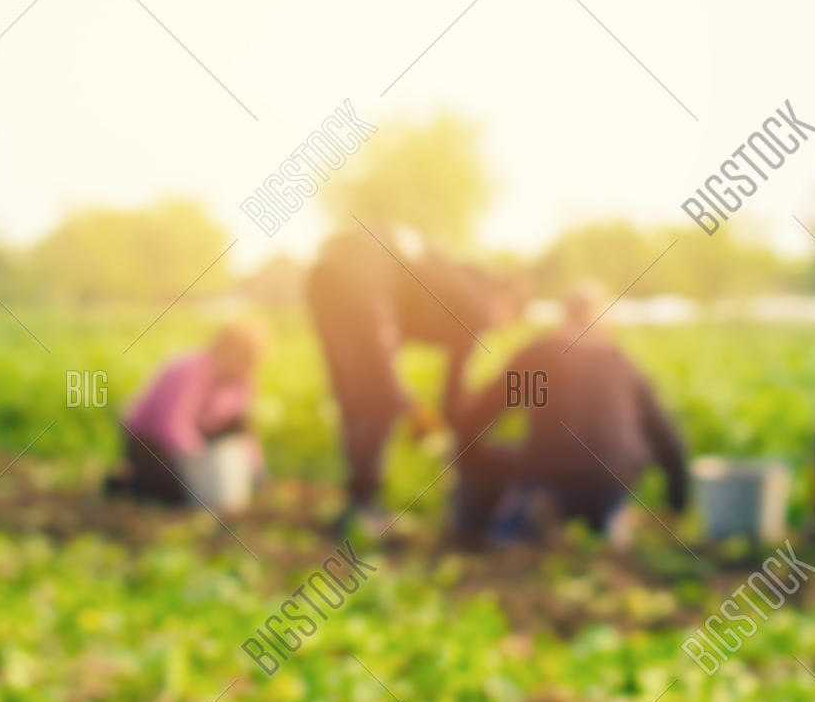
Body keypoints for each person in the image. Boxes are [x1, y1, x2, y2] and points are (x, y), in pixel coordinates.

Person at [306, 225, 522, 521]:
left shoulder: (453, 283)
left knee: (355, 394)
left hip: (322, 278)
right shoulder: (480, 304)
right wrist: (432, 419)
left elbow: (381, 356)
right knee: (378, 399)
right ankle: (363, 507)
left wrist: (412, 407)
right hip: (363, 277)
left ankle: (357, 504)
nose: (498, 329)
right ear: (506, 299)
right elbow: (452, 394)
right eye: (509, 318)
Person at [448, 282, 688, 548]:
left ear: (564, 318)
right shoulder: (623, 363)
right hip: (613, 481)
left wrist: (464, 456)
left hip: (549, 478)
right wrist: (676, 507)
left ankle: (480, 532)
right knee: (621, 462)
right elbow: (668, 442)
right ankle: (607, 520)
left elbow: (478, 417)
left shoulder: (539, 355)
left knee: (491, 457)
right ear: (605, 323)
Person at [108, 320, 269, 505]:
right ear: (226, 349)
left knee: (205, 488)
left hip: (194, 439)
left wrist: (255, 470)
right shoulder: (190, 371)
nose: (248, 367)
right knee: (177, 498)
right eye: (245, 359)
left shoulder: (242, 381)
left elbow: (244, 431)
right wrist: (199, 466)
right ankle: (127, 483)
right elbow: (171, 426)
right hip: (149, 442)